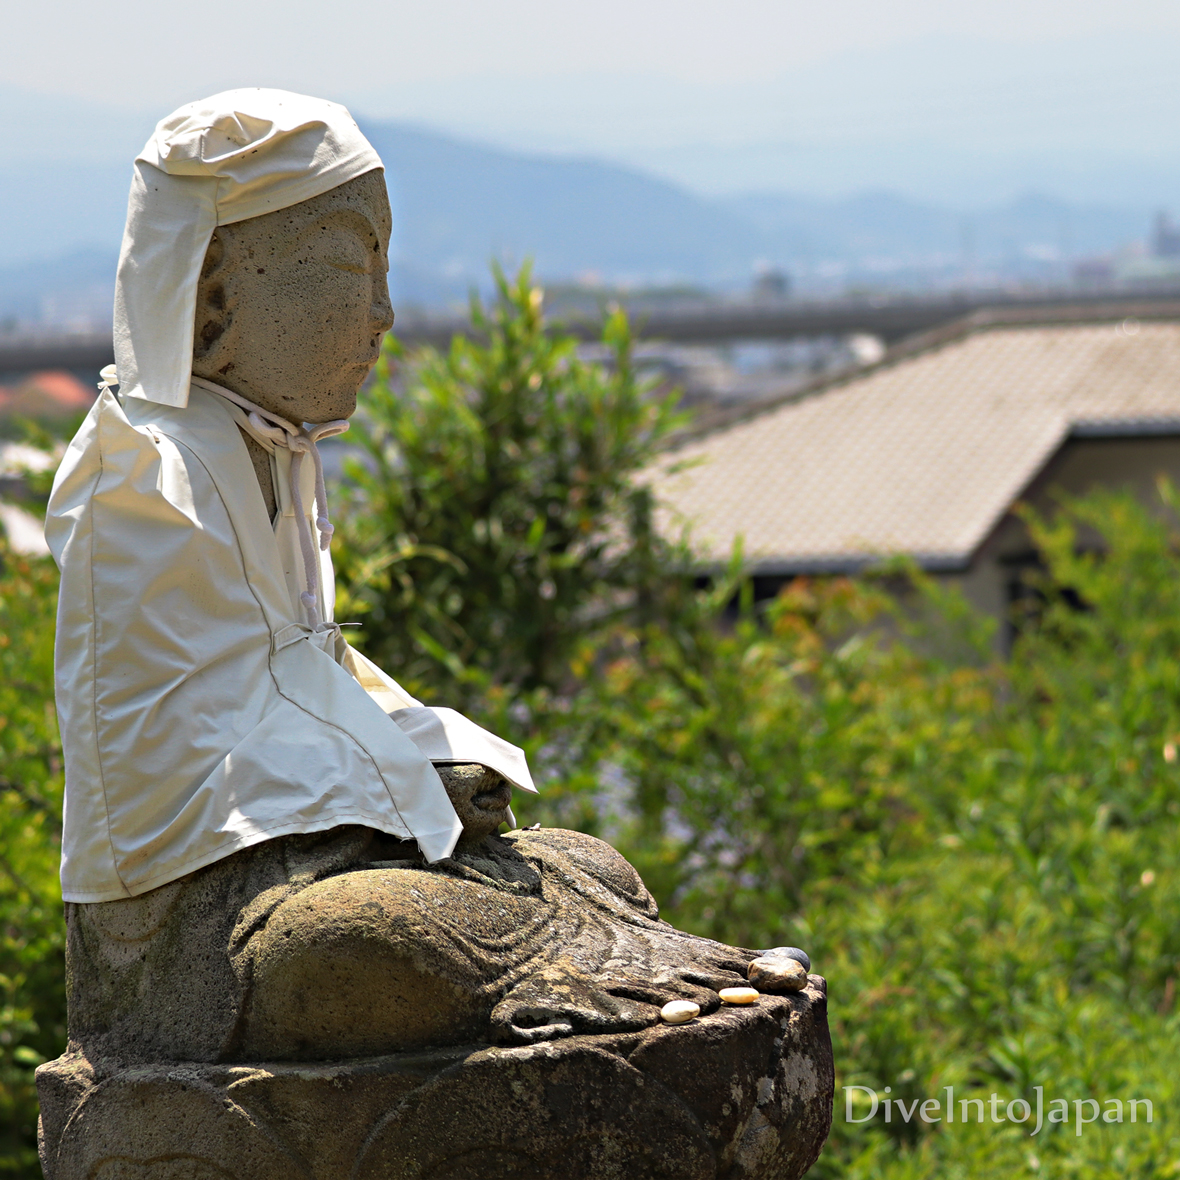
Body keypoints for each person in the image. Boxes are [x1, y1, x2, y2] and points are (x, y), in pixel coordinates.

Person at [48, 90, 753, 1067]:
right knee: (362, 940)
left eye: (382, 272)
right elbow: (190, 735)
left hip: (300, 841)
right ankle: (550, 971)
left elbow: (305, 665)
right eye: (346, 269)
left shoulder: (270, 448)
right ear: (212, 297)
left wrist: (419, 760)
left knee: (589, 864)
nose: (380, 316)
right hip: (191, 904)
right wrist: (379, 781)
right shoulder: (140, 465)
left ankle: (572, 949)